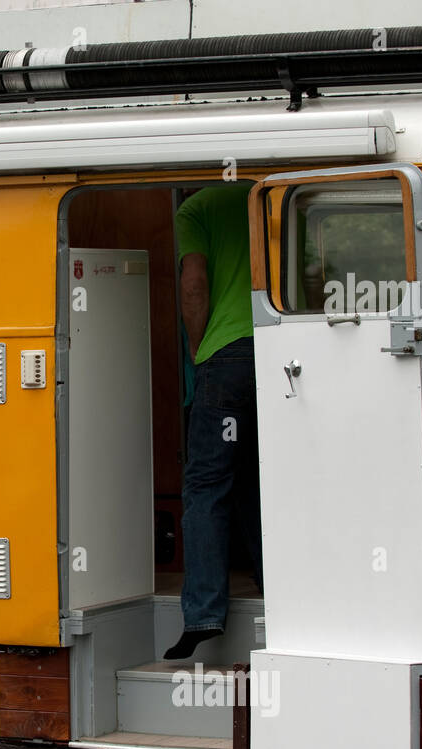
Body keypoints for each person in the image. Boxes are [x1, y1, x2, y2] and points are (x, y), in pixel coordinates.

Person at [165, 182, 263, 660]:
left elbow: (194, 282)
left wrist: (199, 348)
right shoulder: (273, 190)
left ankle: (204, 613)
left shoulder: (196, 208)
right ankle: (276, 583)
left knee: (206, 482)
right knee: (258, 476)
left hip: (224, 356)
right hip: (280, 349)